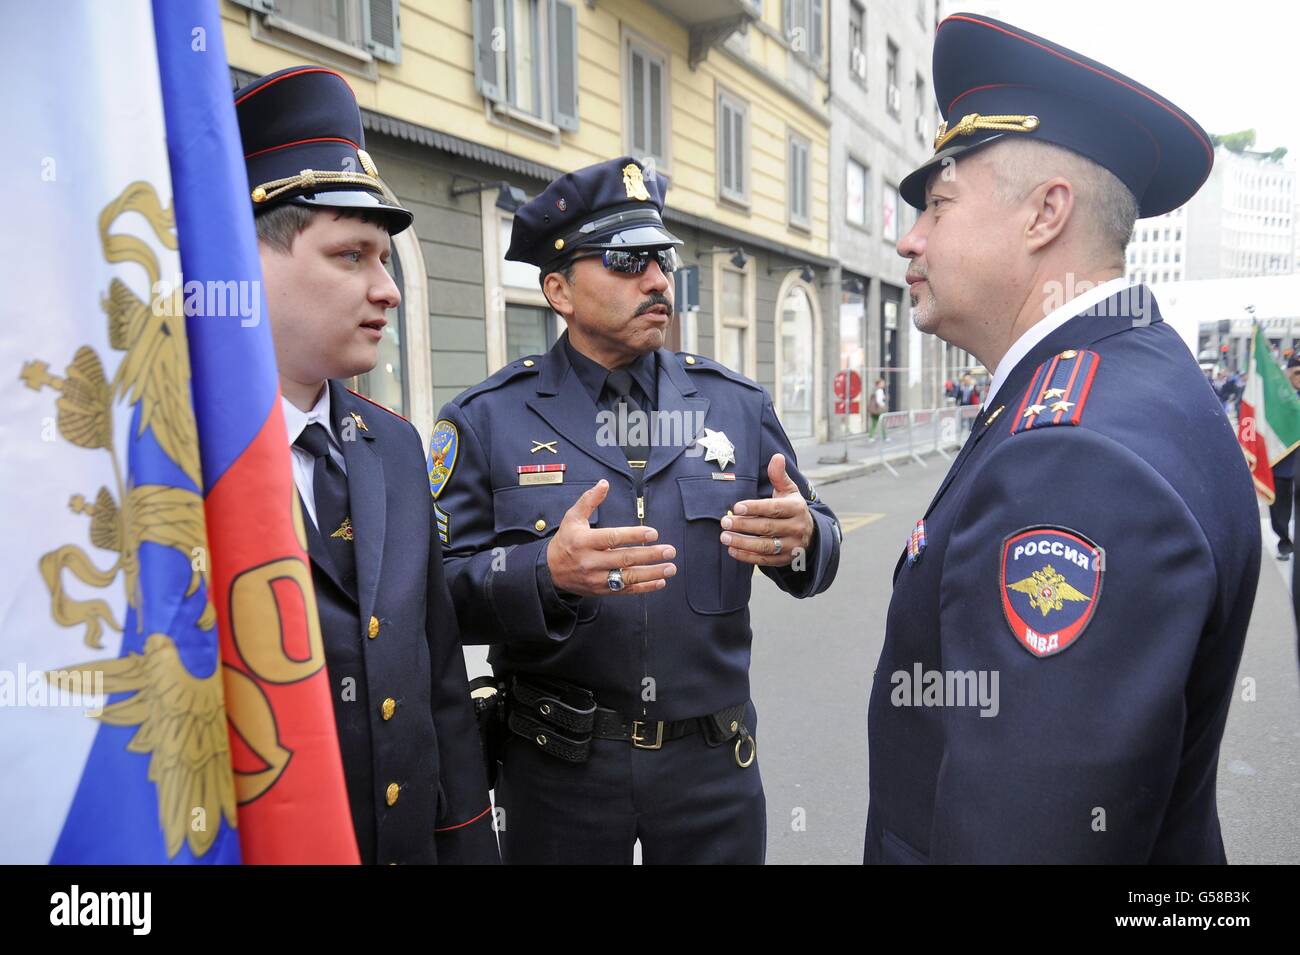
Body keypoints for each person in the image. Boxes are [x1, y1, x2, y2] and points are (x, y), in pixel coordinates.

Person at [865, 13, 1259, 863]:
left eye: (938, 203)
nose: (910, 237)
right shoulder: (1131, 377)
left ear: (1046, 213)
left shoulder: (1075, 454)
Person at [430, 156, 842, 864]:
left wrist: (805, 536)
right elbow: (435, 593)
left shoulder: (735, 406)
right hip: (560, 771)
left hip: (714, 770)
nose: (656, 280)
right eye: (625, 261)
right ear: (557, 289)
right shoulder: (486, 420)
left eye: (660, 259)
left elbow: (816, 546)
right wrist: (543, 572)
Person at [234, 66, 496, 864]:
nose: (388, 289)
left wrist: (467, 847)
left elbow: (438, 681)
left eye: (385, 259)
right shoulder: (174, 459)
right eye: (353, 255)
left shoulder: (393, 445)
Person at [1268, 356, 1300, 561]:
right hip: (1283, 459)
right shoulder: (1276, 397)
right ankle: (1284, 541)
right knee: (1280, 506)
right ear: (1287, 375)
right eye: (1296, 373)